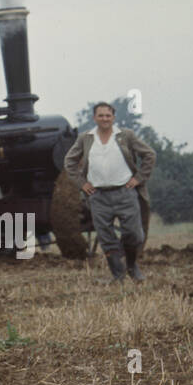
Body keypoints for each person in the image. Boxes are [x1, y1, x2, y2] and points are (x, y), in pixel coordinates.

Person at [64, 103, 157, 283]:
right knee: (106, 237)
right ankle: (118, 276)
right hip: (98, 196)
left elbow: (149, 155)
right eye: (101, 115)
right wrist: (82, 184)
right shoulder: (86, 138)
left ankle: (132, 266)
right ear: (94, 118)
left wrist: (138, 178)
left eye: (108, 115)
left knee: (134, 234)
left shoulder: (125, 136)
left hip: (125, 192)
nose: (104, 119)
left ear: (113, 118)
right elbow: (70, 162)